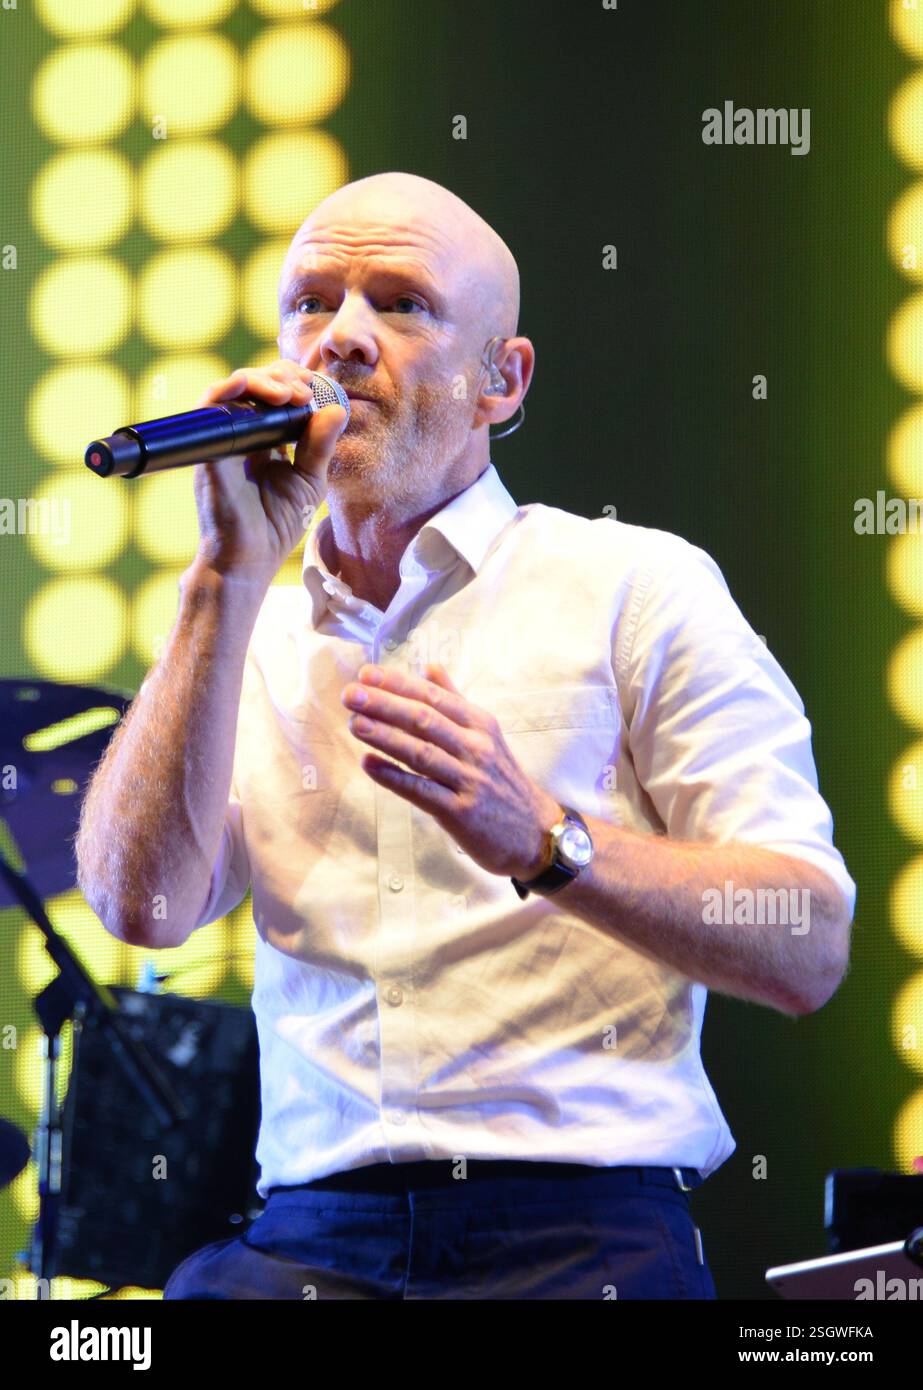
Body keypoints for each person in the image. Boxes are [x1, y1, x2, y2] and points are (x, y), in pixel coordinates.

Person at [75, 171, 856, 1300]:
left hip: (576, 1228)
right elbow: (139, 908)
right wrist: (220, 575)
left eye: (399, 303)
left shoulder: (635, 584)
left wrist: (543, 836)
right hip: (307, 1236)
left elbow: (806, 942)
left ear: (502, 377)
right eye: (310, 302)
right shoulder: (242, 624)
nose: (340, 338)